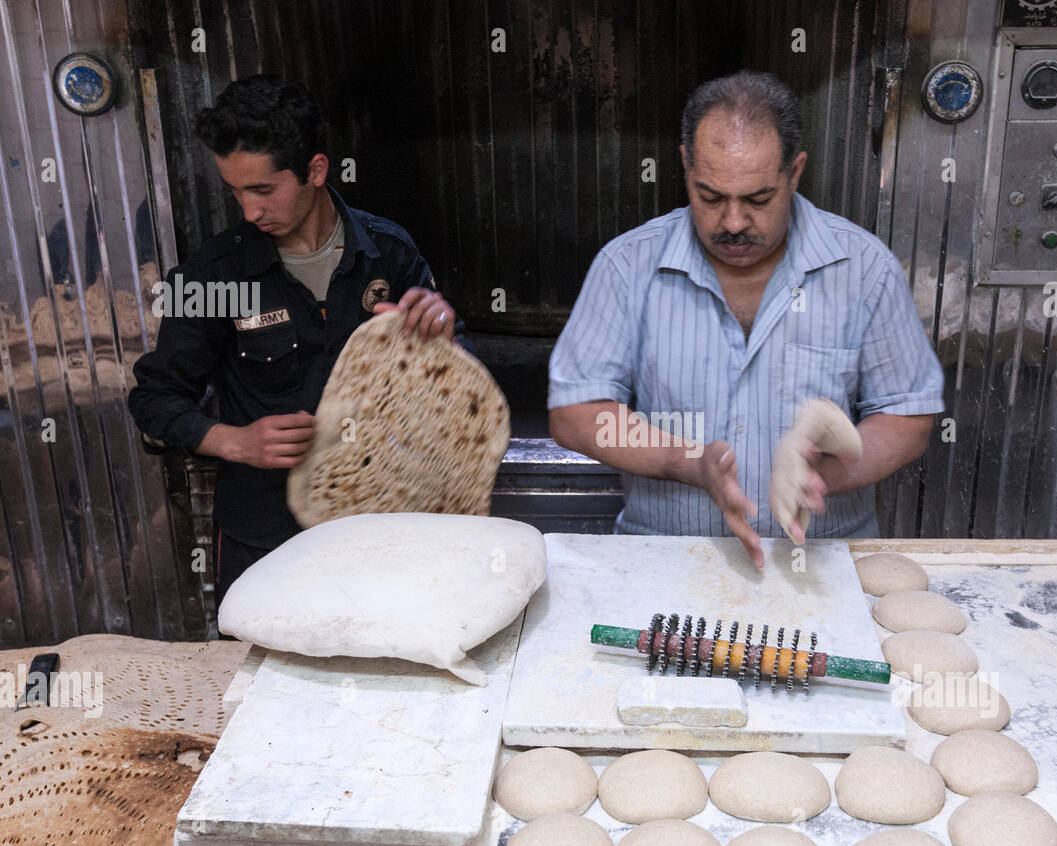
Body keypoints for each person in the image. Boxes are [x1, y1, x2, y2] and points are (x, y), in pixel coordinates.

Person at [548, 71, 944, 568]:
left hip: (821, 564)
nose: (733, 222)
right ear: (686, 165)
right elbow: (576, 414)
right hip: (666, 559)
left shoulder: (864, 269)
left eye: (758, 199)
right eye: (710, 197)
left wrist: (822, 474)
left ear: (794, 172)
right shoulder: (627, 266)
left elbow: (908, 416)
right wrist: (690, 463)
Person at [129, 75, 471, 606]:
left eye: (263, 189)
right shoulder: (214, 278)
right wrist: (232, 441)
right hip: (266, 536)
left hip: (383, 524)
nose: (249, 211)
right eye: (236, 191)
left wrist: (441, 333)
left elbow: (453, 374)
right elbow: (154, 398)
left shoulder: (386, 253)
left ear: (315, 170)